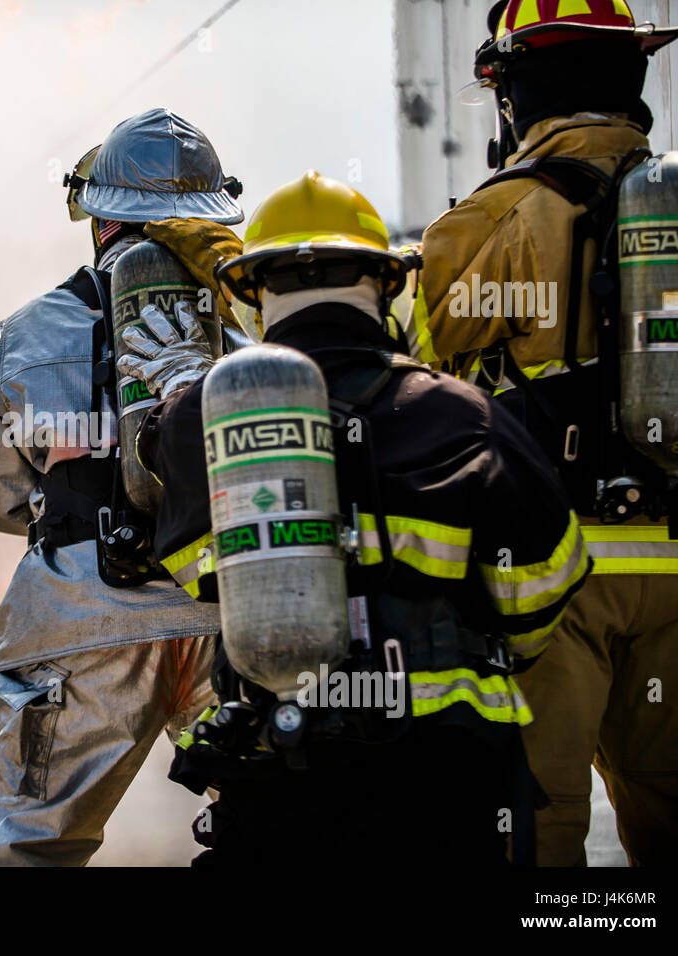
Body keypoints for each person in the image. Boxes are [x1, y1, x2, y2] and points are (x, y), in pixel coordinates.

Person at [119, 171, 589, 865]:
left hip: (280, 767)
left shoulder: (195, 423)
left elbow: (195, 572)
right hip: (441, 776)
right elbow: (546, 584)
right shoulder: (462, 415)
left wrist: (188, 393)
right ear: (387, 286)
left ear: (253, 292)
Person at [411, 0, 678, 864]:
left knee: (533, 826)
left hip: (554, 574)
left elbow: (392, 362)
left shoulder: (492, 221)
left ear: (516, 92)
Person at [0, 108, 245, 866]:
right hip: (235, 614)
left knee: (26, 837)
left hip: (84, 614)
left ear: (100, 216)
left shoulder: (27, 331)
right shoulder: (252, 327)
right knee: (277, 823)